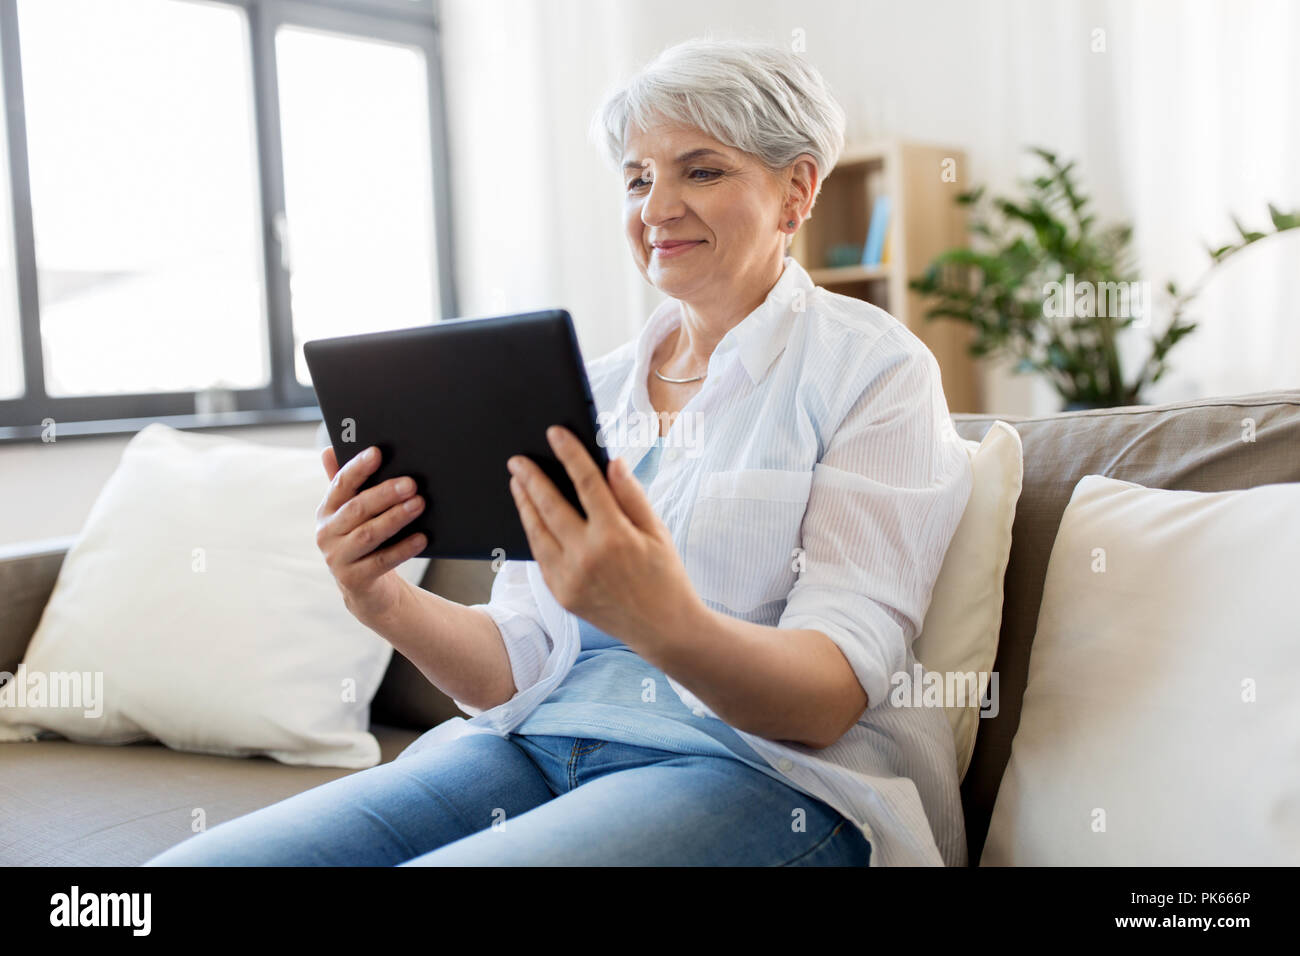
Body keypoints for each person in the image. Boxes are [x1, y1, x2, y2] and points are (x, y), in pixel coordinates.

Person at [145, 36, 972, 868]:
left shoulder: (875, 369)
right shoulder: (588, 390)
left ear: (797, 190)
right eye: (638, 179)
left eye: (702, 170)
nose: (656, 209)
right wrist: (382, 601)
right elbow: (515, 663)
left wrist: (660, 618)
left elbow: (827, 697)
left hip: (762, 772)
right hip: (533, 744)